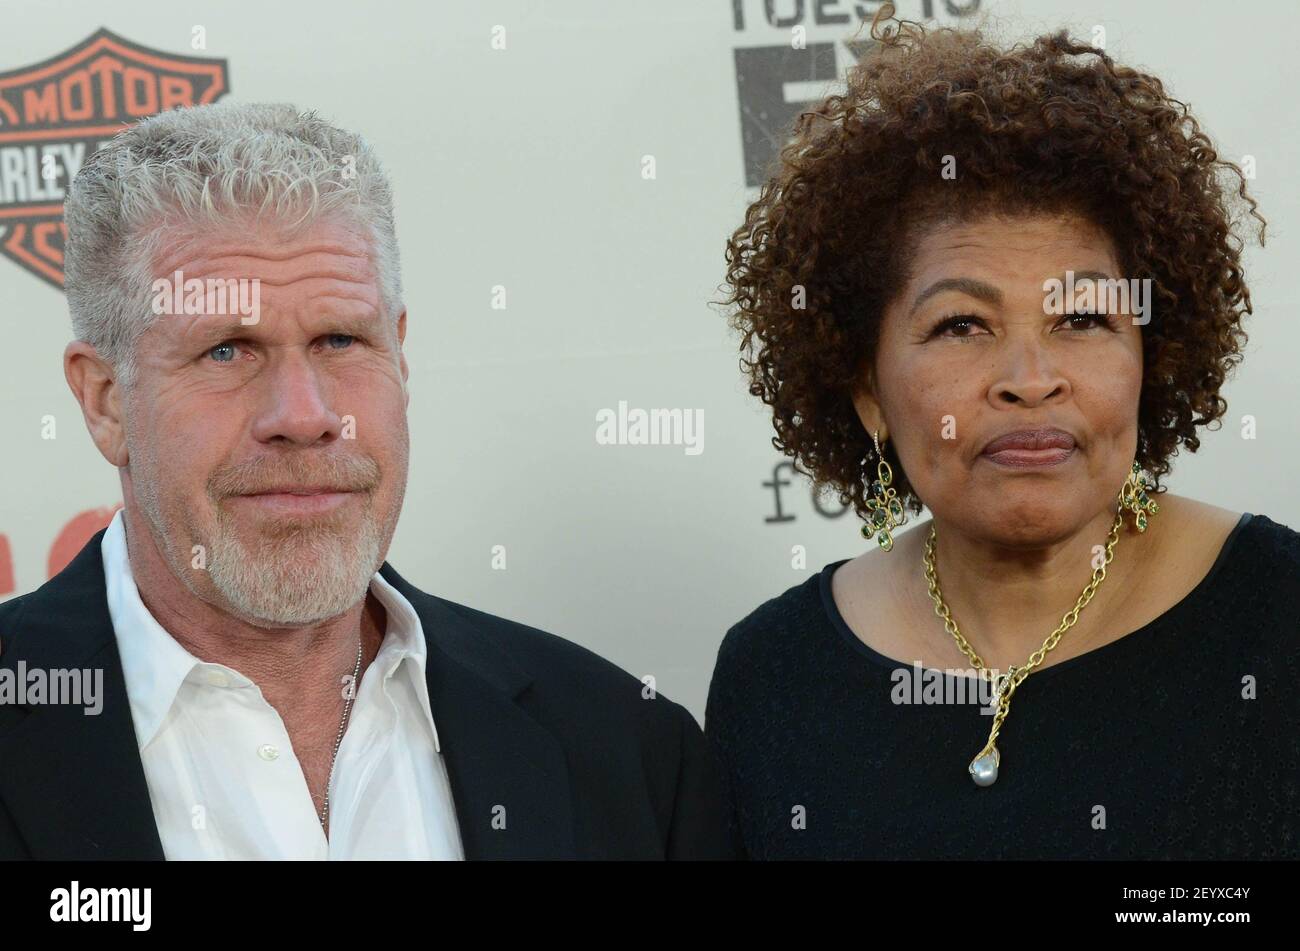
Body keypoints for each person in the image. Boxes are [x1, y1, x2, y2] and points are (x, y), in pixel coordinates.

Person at [0, 101, 733, 860]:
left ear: (401, 358)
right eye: (226, 350)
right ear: (105, 400)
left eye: (341, 338)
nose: (306, 415)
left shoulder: (625, 750)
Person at [706, 9, 1299, 860]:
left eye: (1085, 318)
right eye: (961, 325)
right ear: (867, 390)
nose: (1030, 376)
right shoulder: (774, 675)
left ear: (1151, 358)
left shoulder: (1280, 623)